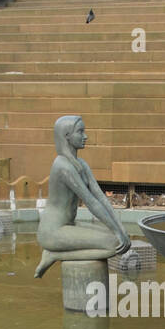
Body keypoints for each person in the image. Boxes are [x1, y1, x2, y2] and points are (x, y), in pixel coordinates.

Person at [35, 115, 130, 278]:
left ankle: (55, 254)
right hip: (52, 232)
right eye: (80, 132)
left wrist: (121, 229)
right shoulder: (62, 166)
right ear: (67, 136)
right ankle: (54, 255)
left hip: (69, 225)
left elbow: (100, 197)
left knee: (118, 238)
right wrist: (117, 233)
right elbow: (91, 202)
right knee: (114, 244)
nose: (85, 136)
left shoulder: (81, 164)